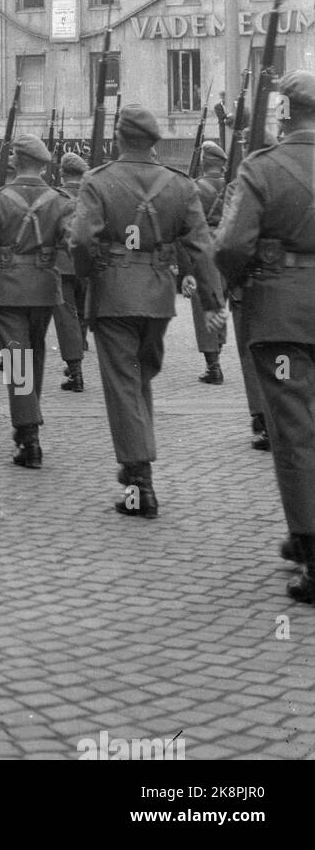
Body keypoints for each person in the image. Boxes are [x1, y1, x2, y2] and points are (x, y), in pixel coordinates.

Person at [70, 105, 224, 518]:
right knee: (140, 380)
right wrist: (212, 301)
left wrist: (88, 276)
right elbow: (201, 246)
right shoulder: (180, 185)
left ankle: (140, 479)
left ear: (118, 139)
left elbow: (81, 241)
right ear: (154, 142)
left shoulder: (97, 181)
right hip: (157, 298)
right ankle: (136, 467)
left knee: (124, 384)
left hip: (113, 294)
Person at [215, 71, 315, 600]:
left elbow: (231, 244)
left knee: (295, 429)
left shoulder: (263, 167)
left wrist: (232, 285)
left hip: (281, 315)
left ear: (284, 115)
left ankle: (309, 548)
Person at [0, 136, 75, 469]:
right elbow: (74, 242)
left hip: (9, 287)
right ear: (43, 164)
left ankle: (29, 436)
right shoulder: (60, 201)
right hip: (45, 286)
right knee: (36, 355)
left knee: (17, 358)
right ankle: (27, 424)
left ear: (15, 160)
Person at [190, 142, 229, 384]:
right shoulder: (232, 186)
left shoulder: (196, 188)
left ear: (204, 162)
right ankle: (218, 349)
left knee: (205, 304)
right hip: (226, 247)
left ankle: (213, 365)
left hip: (204, 249)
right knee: (221, 301)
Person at [53, 152, 89, 392]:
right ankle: (80, 345)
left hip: (62, 264)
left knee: (66, 318)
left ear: (62, 173)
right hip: (88, 263)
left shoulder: (55, 197)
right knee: (83, 312)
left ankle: (75, 370)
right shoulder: (93, 197)